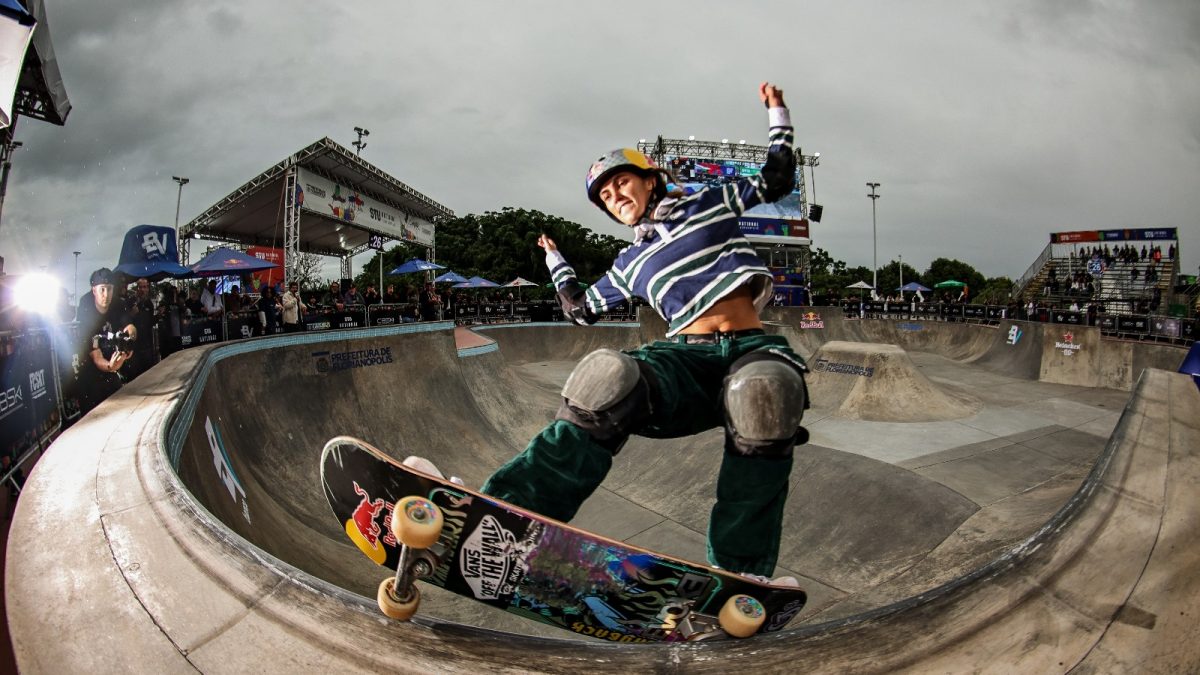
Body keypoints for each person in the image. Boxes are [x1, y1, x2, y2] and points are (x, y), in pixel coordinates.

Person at [421, 83, 809, 585]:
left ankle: (740, 577)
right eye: (606, 197)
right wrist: (556, 262)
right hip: (684, 364)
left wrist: (777, 112)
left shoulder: (710, 203)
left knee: (765, 393)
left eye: (622, 183)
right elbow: (581, 310)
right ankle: (505, 515)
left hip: (753, 350)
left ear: (650, 181)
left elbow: (777, 178)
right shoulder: (629, 263)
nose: (616, 197)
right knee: (606, 375)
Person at [75, 268, 138, 415]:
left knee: (118, 403)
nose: (106, 295)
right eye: (102, 290)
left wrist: (130, 341)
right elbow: (96, 356)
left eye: (110, 289)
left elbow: (130, 326)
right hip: (90, 371)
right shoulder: (86, 307)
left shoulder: (117, 303)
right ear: (94, 291)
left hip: (110, 367)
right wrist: (110, 366)